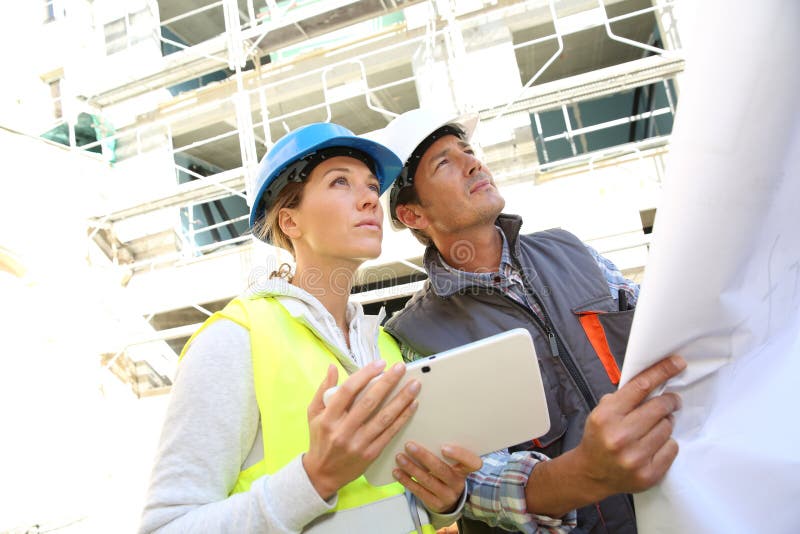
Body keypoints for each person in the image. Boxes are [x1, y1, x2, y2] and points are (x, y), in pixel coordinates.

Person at [139, 122, 484, 533]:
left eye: (373, 187)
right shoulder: (235, 339)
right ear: (289, 221)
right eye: (340, 182)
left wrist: (443, 502)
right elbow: (165, 527)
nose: (370, 200)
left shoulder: (385, 346)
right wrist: (315, 478)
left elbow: (393, 503)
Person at [371, 108, 686, 534]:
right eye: (444, 163)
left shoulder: (569, 251)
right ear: (413, 215)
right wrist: (585, 474)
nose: (472, 164)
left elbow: (664, 332)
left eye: (468, 151)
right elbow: (469, 477)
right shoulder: (416, 336)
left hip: (671, 510)